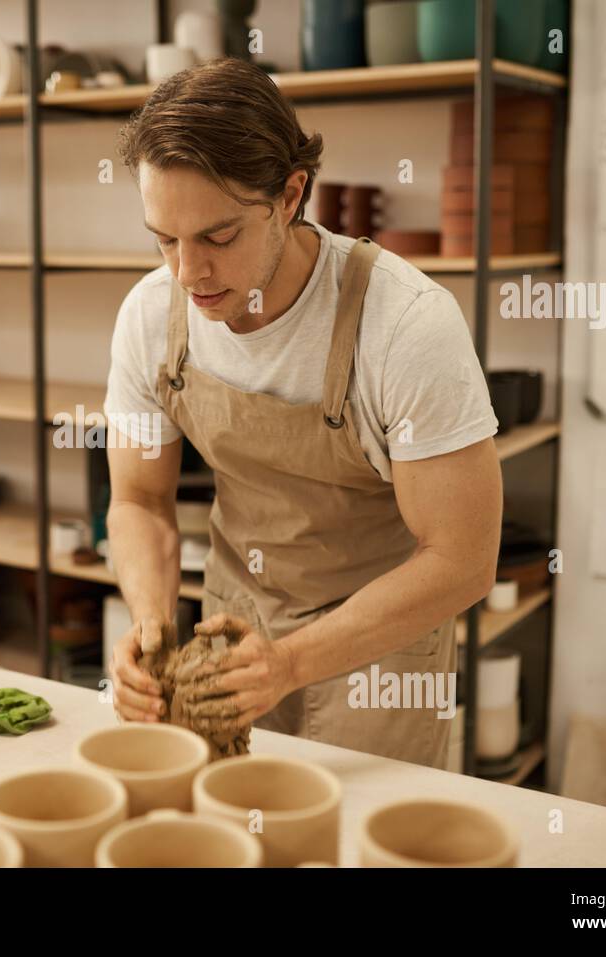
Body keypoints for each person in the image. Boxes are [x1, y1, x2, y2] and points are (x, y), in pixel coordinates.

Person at [103, 58, 503, 768]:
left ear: (290, 196)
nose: (186, 272)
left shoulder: (405, 325)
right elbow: (138, 499)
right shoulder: (149, 317)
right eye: (164, 239)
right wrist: (151, 624)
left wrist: (290, 662)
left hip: (381, 650)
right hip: (233, 627)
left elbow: (464, 559)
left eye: (218, 237)